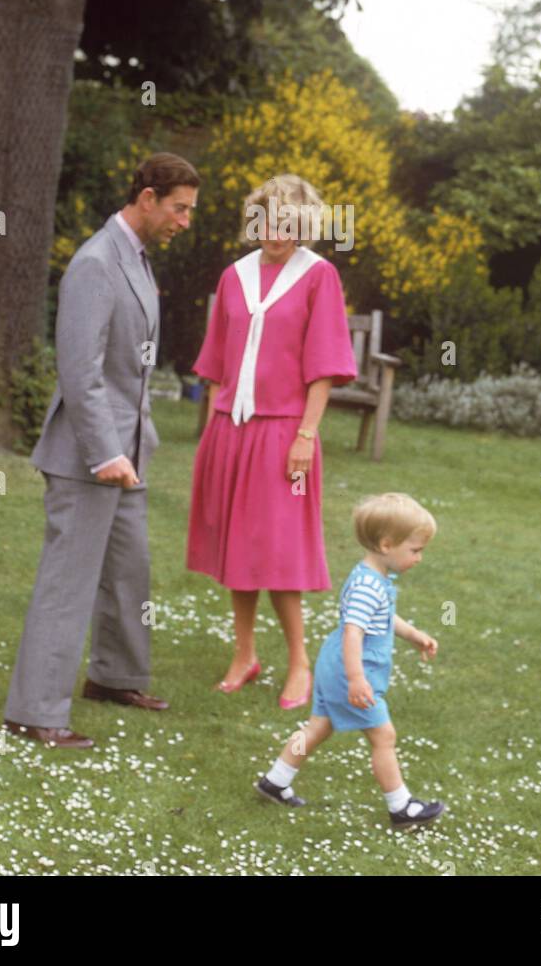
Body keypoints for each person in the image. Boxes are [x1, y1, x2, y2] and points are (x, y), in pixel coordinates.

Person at [3, 152, 200, 749]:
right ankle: (34, 710)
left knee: (127, 574)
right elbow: (79, 370)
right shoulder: (94, 263)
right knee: (69, 581)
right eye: (179, 209)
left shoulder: (137, 260)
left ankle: (114, 678)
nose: (184, 223)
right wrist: (104, 453)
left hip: (129, 453)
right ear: (147, 198)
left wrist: (137, 447)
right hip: (90, 456)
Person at [187, 173, 357, 709]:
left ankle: (300, 663)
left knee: (280, 553)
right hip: (231, 429)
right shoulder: (233, 277)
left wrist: (306, 435)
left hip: (287, 432)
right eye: (265, 222)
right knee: (237, 546)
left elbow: (324, 369)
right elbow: (216, 363)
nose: (275, 233)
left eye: (287, 224)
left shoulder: (319, 277)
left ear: (305, 226)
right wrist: (214, 429)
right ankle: (244, 654)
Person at [256, 492, 446, 831]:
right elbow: (353, 634)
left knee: (319, 726)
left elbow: (384, 617)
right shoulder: (366, 587)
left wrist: (414, 634)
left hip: (336, 666)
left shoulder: (373, 579)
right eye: (415, 550)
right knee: (383, 736)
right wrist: (357, 679)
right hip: (350, 670)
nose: (419, 558)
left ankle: (275, 780)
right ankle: (401, 807)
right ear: (387, 545)